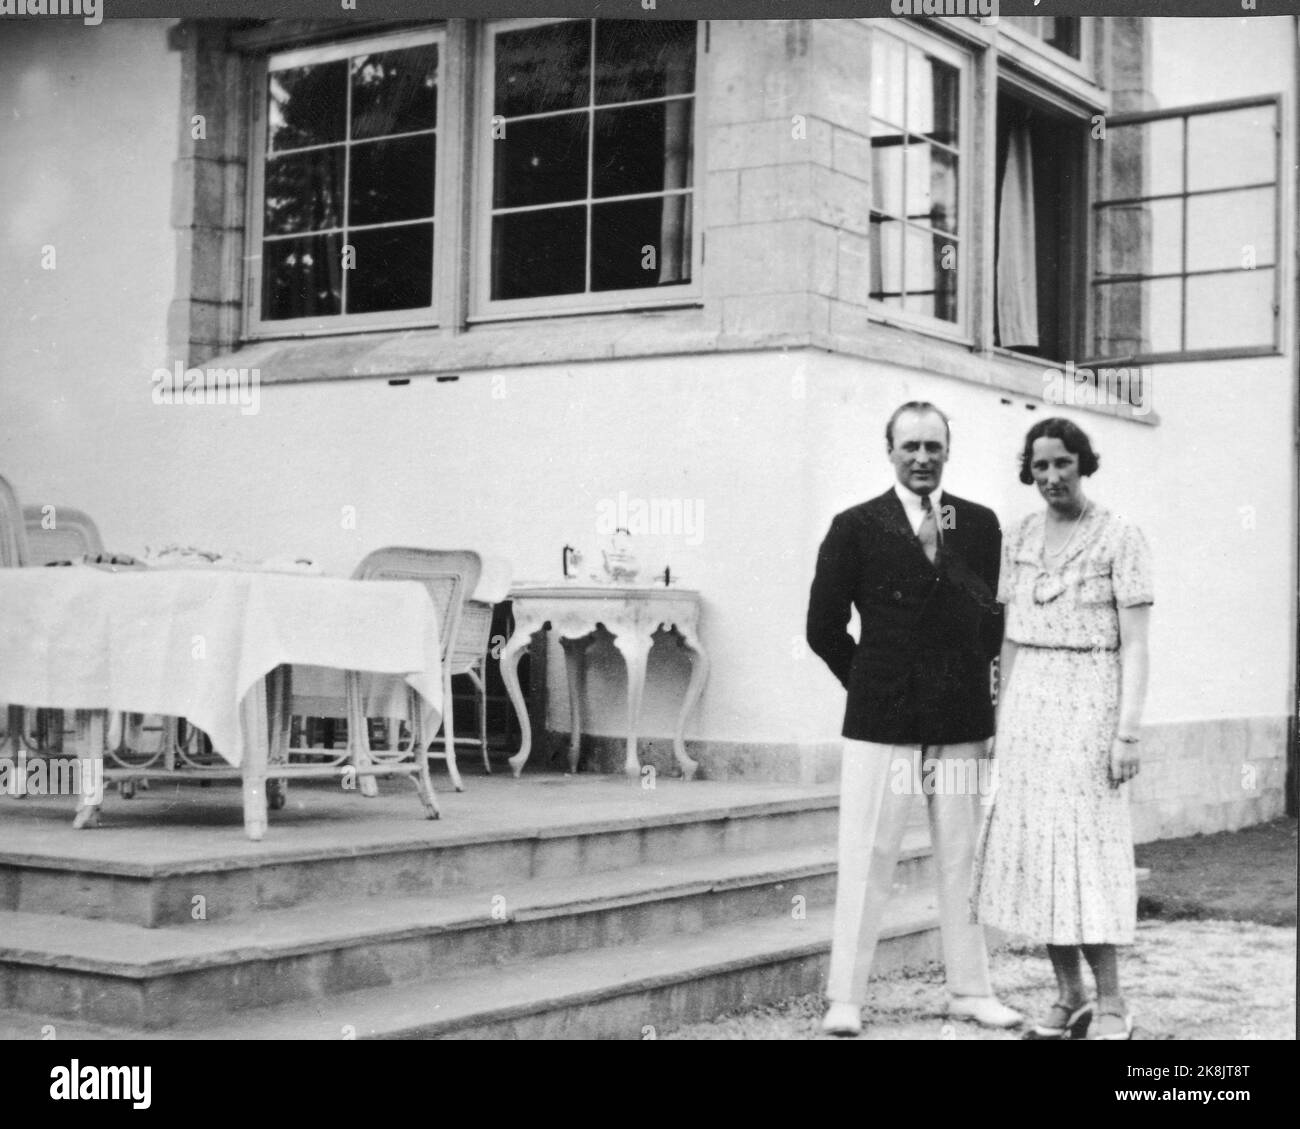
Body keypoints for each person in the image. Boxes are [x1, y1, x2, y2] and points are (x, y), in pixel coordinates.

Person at [807, 401, 1022, 1037]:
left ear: (948, 451)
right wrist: (873, 683)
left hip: (957, 719)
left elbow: (991, 621)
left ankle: (971, 991)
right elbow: (823, 629)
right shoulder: (855, 526)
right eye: (911, 447)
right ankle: (845, 998)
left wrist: (978, 694)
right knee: (868, 855)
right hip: (884, 719)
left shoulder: (978, 525)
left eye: (934, 446)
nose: (922, 458)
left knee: (962, 856)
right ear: (890, 451)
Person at [972, 417, 1152, 1041]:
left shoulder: (1119, 536)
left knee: (1084, 853)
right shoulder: (1017, 535)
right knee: (1037, 852)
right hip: (1028, 710)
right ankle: (1069, 995)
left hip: (1091, 700)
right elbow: (1011, 637)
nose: (1052, 476)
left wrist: (1127, 732)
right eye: (1041, 465)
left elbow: (1136, 647)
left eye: (1064, 464)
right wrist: (999, 720)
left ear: (1084, 464)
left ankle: (1112, 1004)